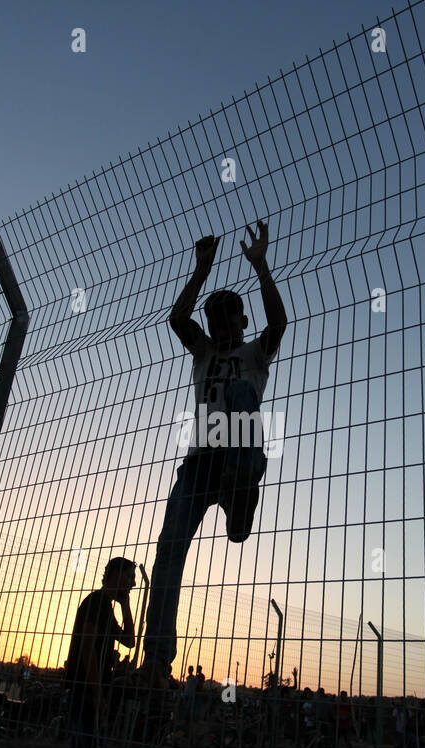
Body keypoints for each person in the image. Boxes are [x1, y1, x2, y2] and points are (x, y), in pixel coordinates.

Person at [142, 223, 289, 680]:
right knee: (168, 549)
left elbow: (279, 323)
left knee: (244, 393)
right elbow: (176, 320)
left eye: (230, 320)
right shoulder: (202, 352)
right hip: (201, 465)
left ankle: (241, 494)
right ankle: (157, 661)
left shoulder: (253, 355)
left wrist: (261, 265)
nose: (222, 327)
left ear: (242, 324)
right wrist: (201, 268)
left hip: (239, 455)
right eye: (216, 321)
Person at [39, 557, 136, 748]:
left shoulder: (107, 607)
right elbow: (87, 650)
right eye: (130, 577)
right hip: (86, 696)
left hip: (92, 697)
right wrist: (97, 695)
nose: (133, 583)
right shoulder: (94, 602)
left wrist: (125, 604)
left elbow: (130, 641)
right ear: (117, 575)